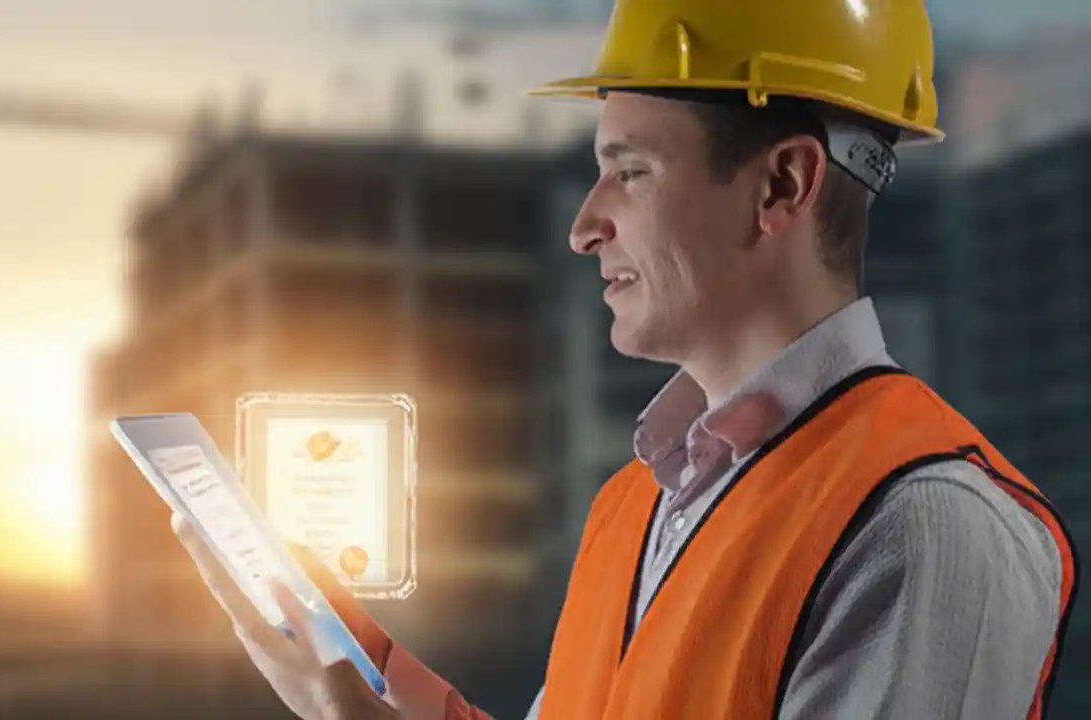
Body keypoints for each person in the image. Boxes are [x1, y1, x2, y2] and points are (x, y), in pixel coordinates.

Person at [173, 0, 1078, 717]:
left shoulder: (924, 526)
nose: (584, 226)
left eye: (631, 172)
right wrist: (357, 681)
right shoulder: (639, 504)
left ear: (782, 185)